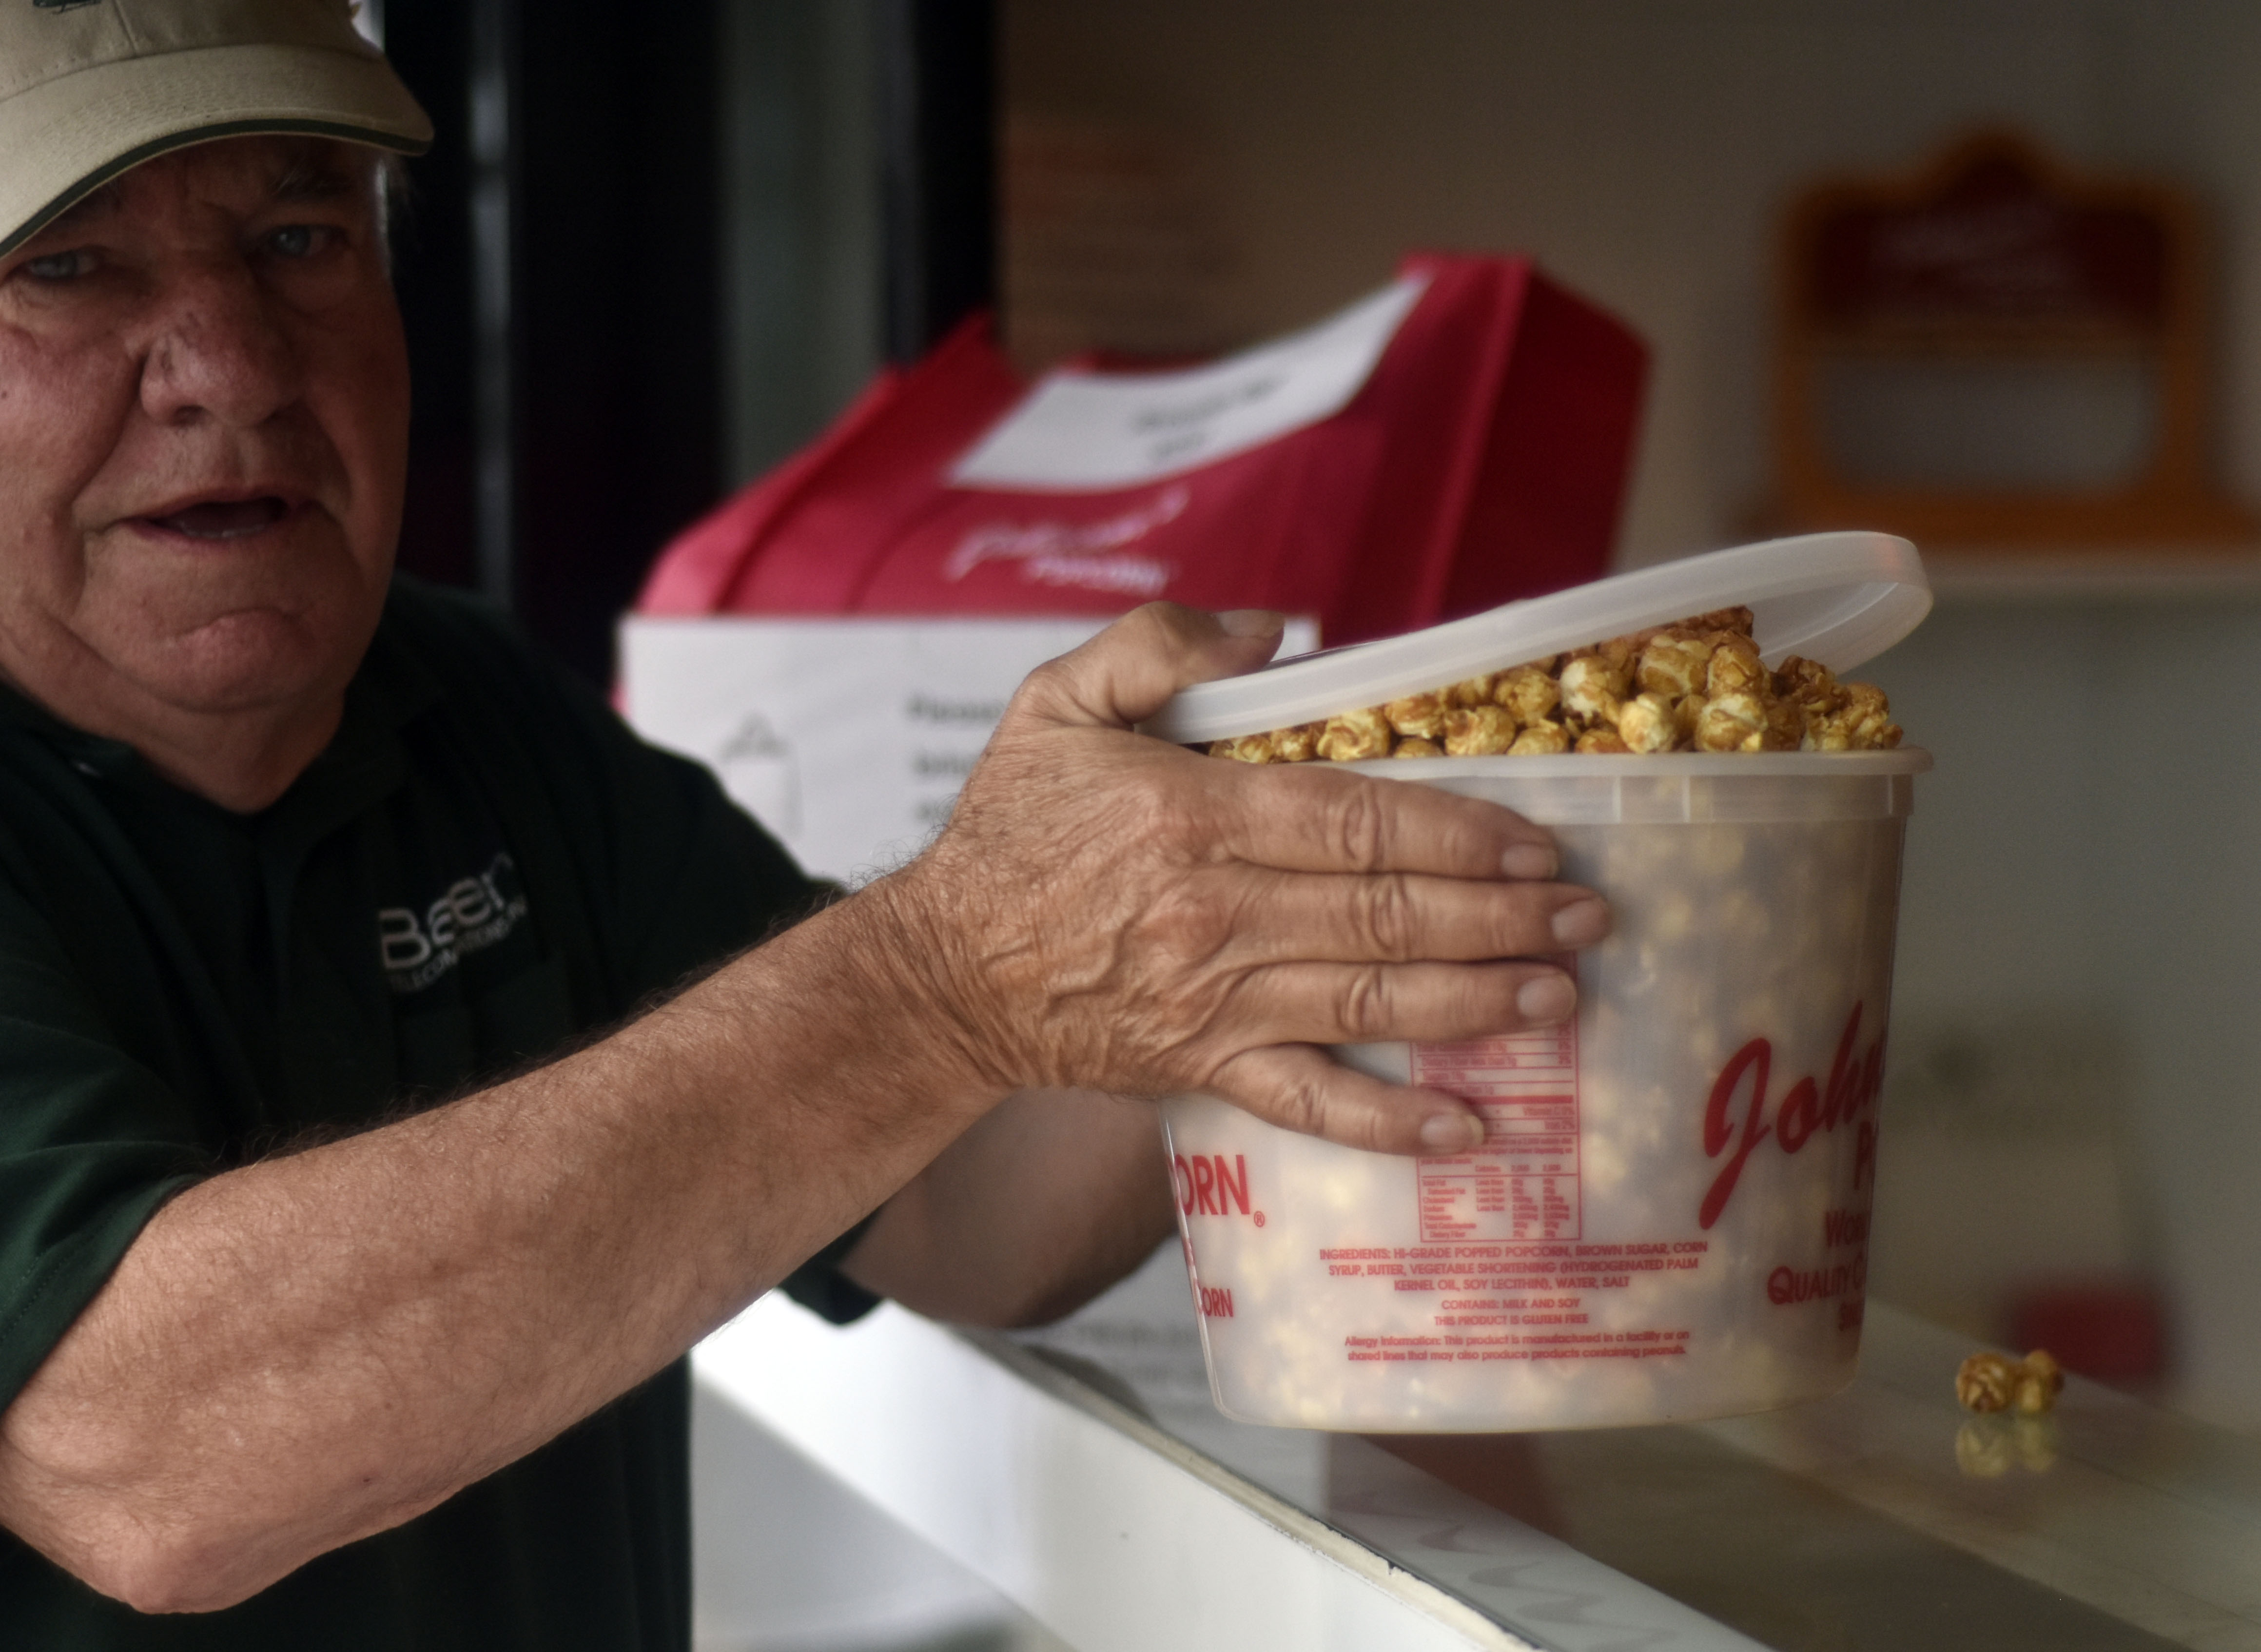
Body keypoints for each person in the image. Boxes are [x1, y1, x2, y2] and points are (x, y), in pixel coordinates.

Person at [0, 2, 1610, 1645]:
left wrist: (1253, 875)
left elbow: (965, 1210)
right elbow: (143, 1458)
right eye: (67, 266)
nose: (237, 369)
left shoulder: (468, 705)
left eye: (298, 235)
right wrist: (947, 973)